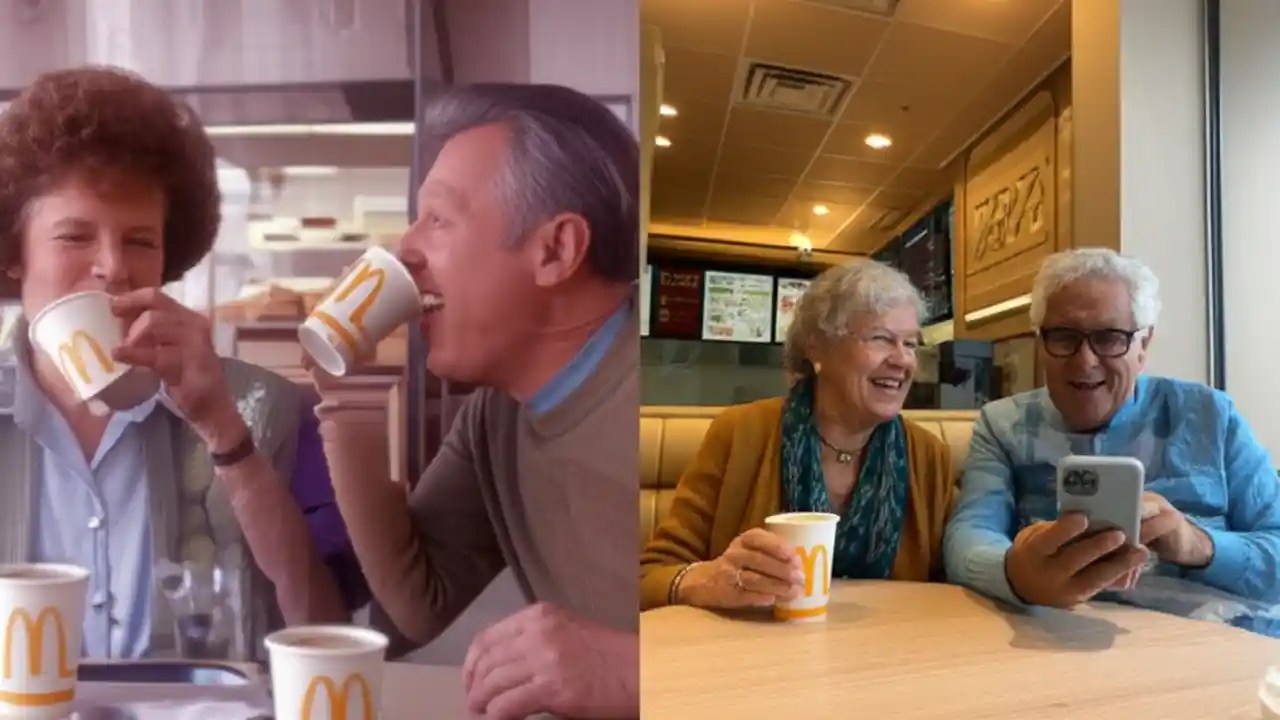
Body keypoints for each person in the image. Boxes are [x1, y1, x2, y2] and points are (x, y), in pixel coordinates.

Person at [0, 66, 367, 660]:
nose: (114, 267)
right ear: (15, 254)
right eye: (75, 237)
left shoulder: (263, 408)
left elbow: (324, 631)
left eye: (140, 241)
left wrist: (224, 431)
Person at [311, 83, 639, 720]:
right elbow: (418, 602)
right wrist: (347, 404)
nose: (404, 250)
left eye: (437, 218)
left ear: (555, 250)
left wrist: (633, 669)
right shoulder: (497, 414)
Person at [945, 248, 1280, 636]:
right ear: (1040, 342)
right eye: (1064, 337)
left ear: (1143, 345)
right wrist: (1015, 573)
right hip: (1064, 636)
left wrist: (1199, 545)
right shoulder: (1003, 424)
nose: (1085, 361)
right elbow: (968, 536)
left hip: (1223, 639)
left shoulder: (1211, 415)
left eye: (1109, 338)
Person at [640, 260, 955, 612]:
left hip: (892, 643)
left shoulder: (928, 456)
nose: (903, 361)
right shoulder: (742, 434)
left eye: (910, 344)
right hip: (755, 642)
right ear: (816, 347)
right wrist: (707, 579)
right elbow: (651, 576)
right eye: (881, 339)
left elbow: (958, 580)